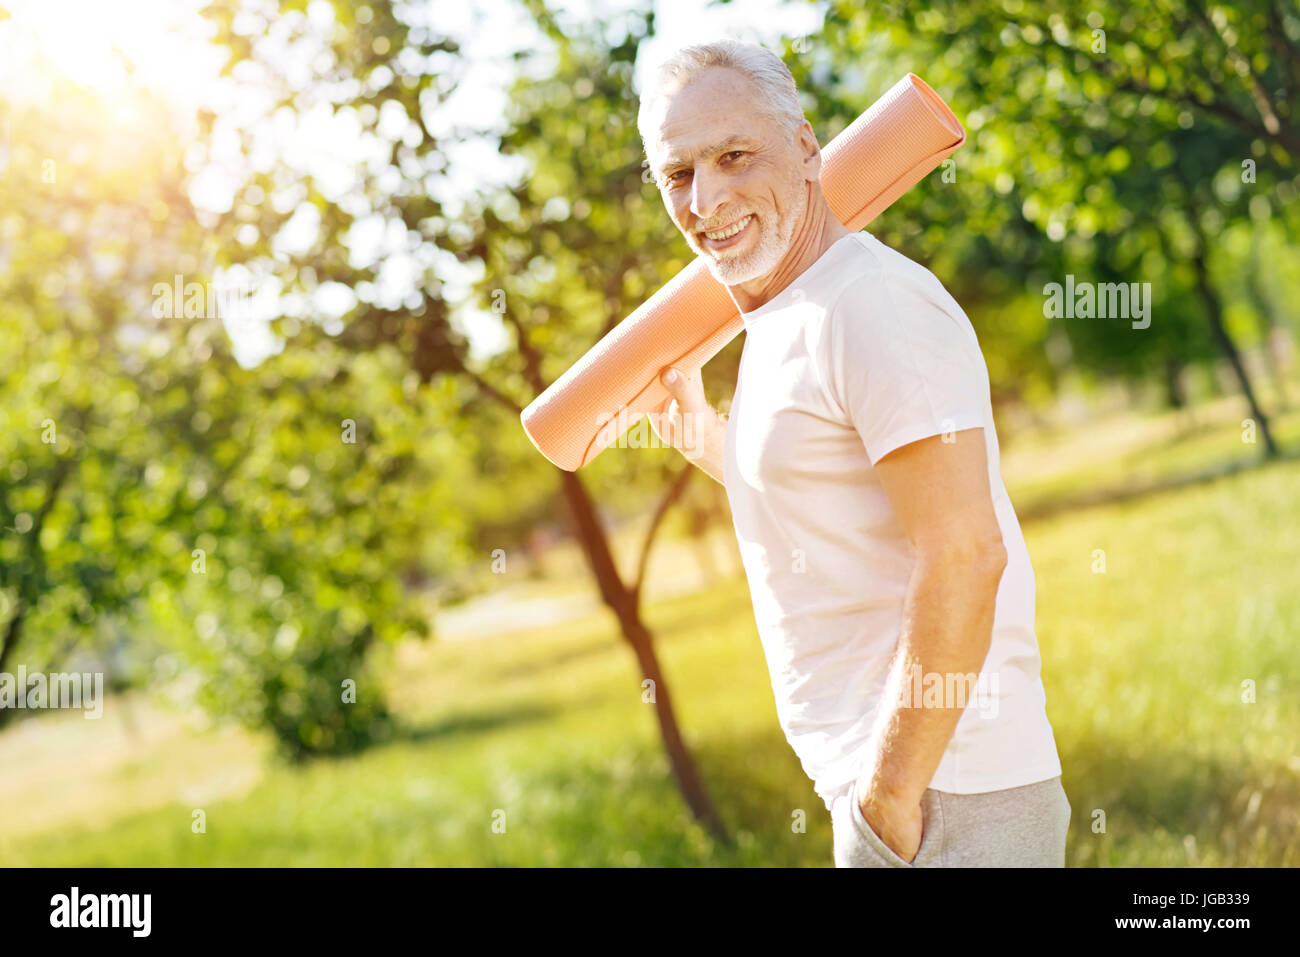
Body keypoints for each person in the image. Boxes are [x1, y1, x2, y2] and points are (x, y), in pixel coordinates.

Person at [640, 39, 1068, 867]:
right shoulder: (786, 315)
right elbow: (824, 495)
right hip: (896, 793)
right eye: (679, 175)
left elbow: (966, 554)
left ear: (806, 147)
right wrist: (707, 442)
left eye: (734, 155)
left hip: (948, 796)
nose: (706, 198)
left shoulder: (870, 303)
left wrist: (890, 798)